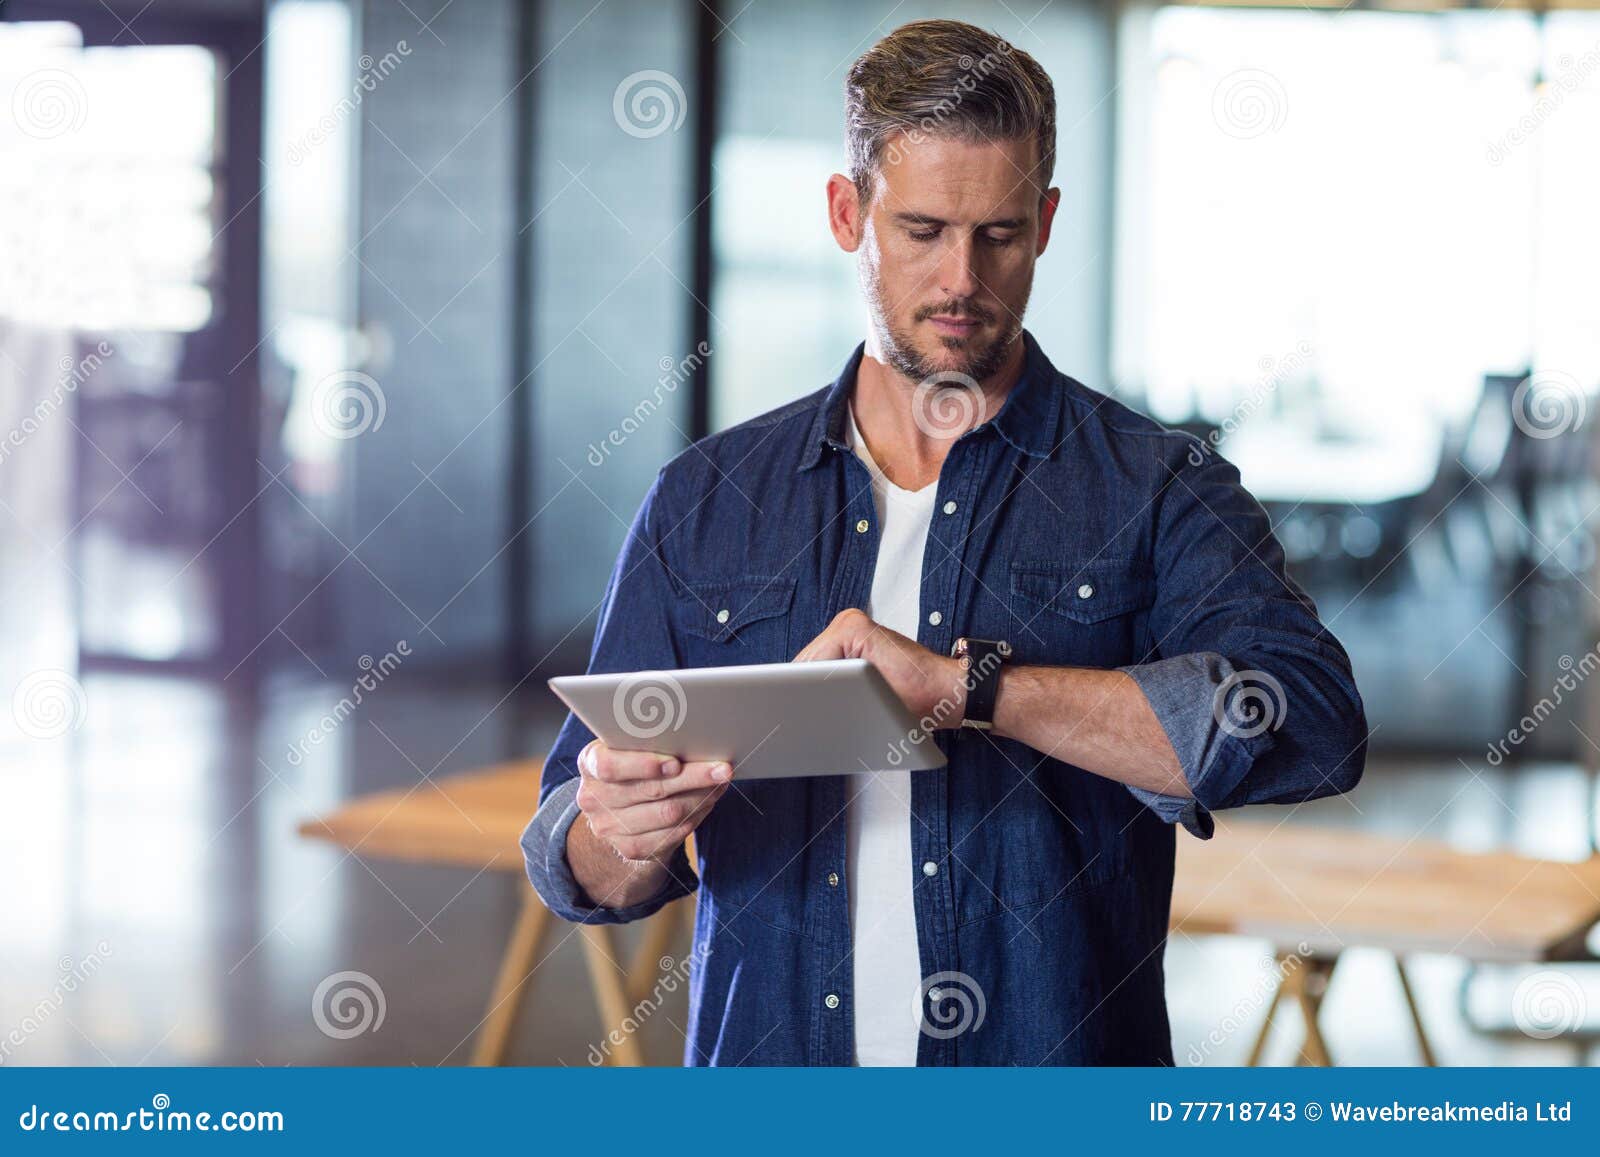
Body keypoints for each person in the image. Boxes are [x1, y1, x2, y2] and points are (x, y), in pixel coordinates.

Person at [522, 18, 1365, 1066]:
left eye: (998, 234)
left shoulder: (1154, 485)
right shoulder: (704, 499)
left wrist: (972, 690)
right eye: (921, 230)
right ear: (847, 212)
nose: (961, 278)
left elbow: (1312, 723)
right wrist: (621, 827)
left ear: (1046, 221)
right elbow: (577, 858)